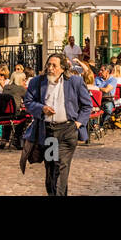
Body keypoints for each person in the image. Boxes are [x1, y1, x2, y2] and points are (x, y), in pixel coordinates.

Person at [23, 53, 92, 196]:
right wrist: (41, 108)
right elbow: (28, 102)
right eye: (48, 64)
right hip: (49, 132)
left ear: (62, 68)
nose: (50, 68)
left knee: (61, 166)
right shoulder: (37, 82)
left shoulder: (74, 82)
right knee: (51, 169)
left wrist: (78, 124)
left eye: (54, 65)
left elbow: (87, 106)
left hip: (67, 131)